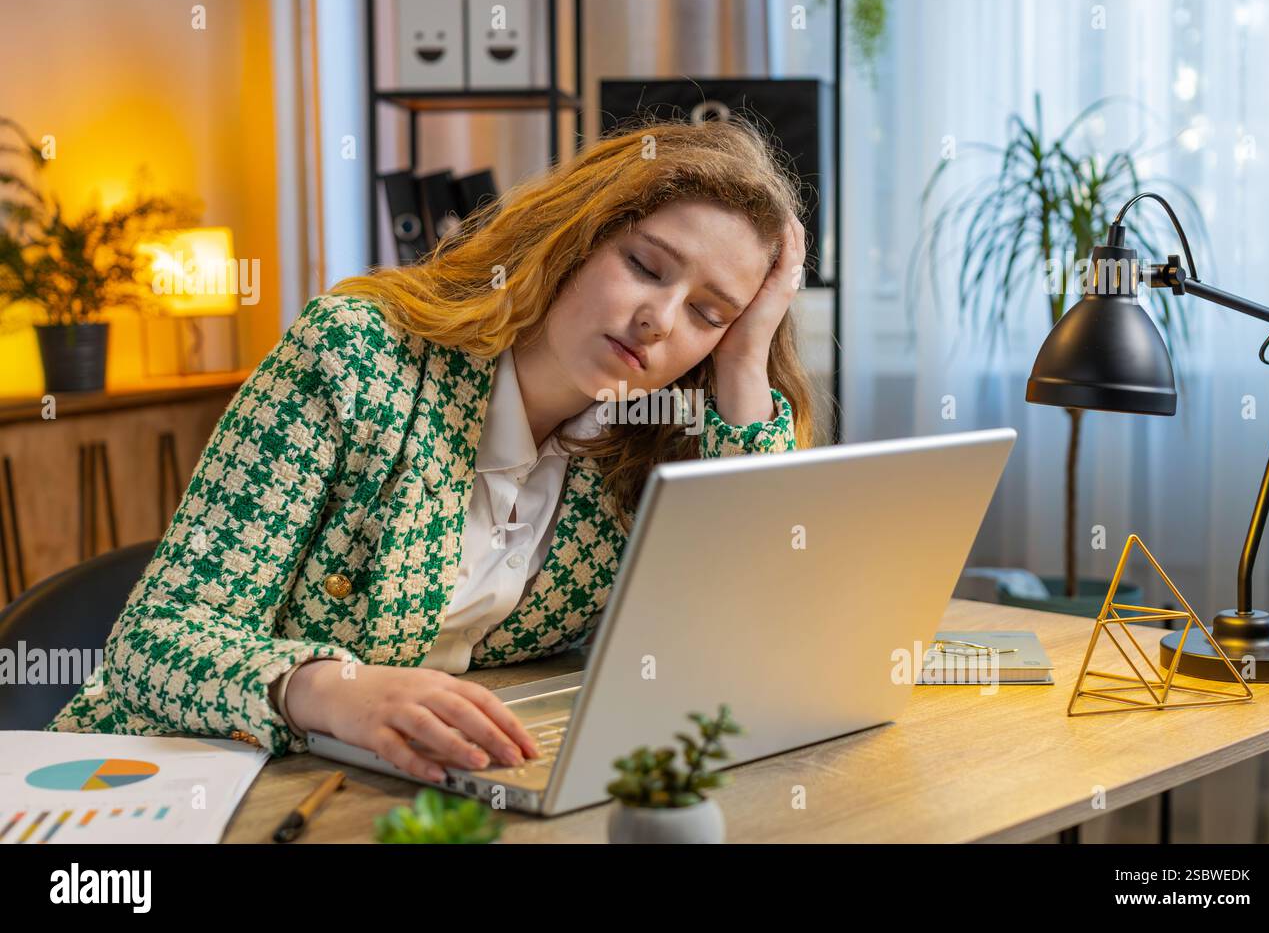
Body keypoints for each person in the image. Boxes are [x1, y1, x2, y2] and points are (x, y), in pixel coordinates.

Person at [49, 117, 820, 785]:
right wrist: (333, 689)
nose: (660, 319)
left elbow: (751, 632)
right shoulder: (356, 356)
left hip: (386, 787)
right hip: (157, 780)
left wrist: (745, 361)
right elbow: (153, 644)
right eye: (645, 267)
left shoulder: (649, 444)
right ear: (574, 239)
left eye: (708, 314)